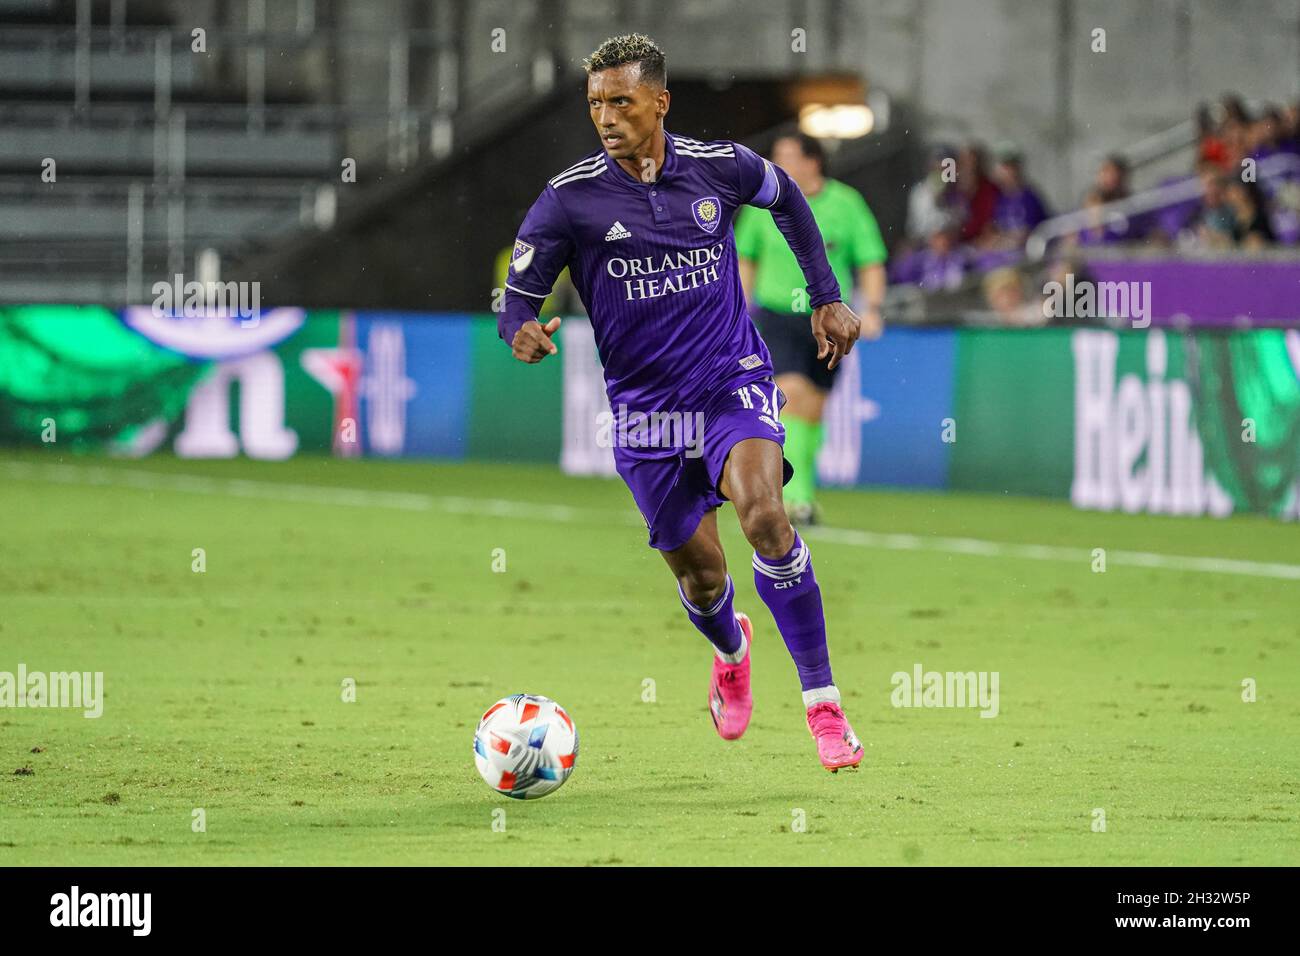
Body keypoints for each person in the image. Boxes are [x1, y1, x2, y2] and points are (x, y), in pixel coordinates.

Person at [498, 34, 866, 771]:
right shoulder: (569, 198)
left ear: (659, 101)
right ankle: (732, 647)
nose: (605, 116)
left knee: (765, 516)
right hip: (646, 415)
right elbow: (518, 296)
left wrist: (826, 295)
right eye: (596, 103)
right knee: (701, 578)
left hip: (730, 382)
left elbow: (788, 197)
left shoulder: (720, 168)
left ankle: (824, 707)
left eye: (621, 101)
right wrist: (521, 331)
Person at [734, 133, 886, 526]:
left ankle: (802, 491)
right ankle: (794, 498)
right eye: (777, 155)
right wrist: (737, 307)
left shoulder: (847, 204)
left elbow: (869, 259)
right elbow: (745, 257)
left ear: (813, 161)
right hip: (777, 316)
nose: (779, 162)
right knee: (793, 397)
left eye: (788, 155)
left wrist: (872, 309)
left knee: (814, 409)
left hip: (829, 316)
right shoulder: (763, 202)